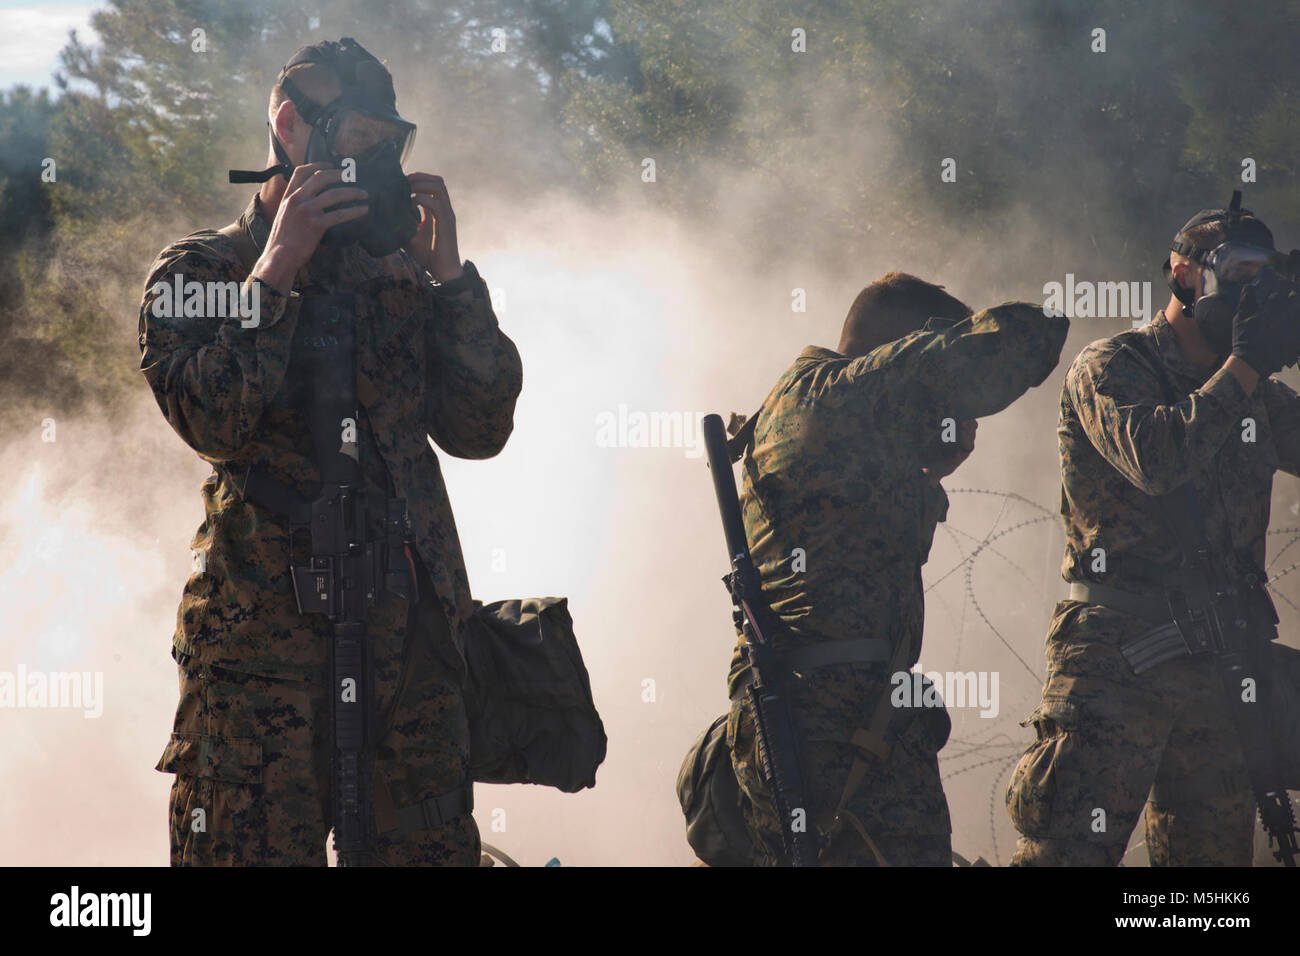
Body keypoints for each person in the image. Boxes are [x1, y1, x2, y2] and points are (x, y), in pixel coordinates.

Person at [139, 37, 522, 865]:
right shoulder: (206, 268)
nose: (378, 159)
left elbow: (481, 429)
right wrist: (277, 272)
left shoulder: (398, 278)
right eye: (357, 139)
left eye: (390, 141)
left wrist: (451, 281)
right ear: (291, 126)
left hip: (409, 655)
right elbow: (212, 419)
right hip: (262, 664)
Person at [726, 272, 1068, 865]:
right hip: (839, 718)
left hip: (828, 706)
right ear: (901, 354)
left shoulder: (812, 407)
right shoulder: (847, 392)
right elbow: (1023, 338)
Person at [1007, 196, 1300, 865]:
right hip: (1117, 660)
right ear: (1181, 273)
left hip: (1221, 667)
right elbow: (1157, 459)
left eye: (1265, 278)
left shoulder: (1258, 394)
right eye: (1238, 271)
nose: (1251, 292)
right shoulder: (1114, 365)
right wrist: (1247, 365)